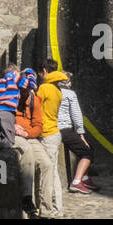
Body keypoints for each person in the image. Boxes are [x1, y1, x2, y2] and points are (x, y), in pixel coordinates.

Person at [13, 67, 51, 217]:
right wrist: (15, 128)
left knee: (47, 164)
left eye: (27, 90)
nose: (24, 93)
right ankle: (27, 199)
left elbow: (38, 126)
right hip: (15, 134)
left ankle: (46, 211)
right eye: (23, 90)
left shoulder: (34, 99)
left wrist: (27, 133)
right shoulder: (11, 95)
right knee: (27, 152)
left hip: (29, 135)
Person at [36, 59, 69, 216]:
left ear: (44, 71)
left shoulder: (44, 88)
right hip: (55, 133)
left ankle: (49, 209)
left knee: (47, 173)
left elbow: (35, 108)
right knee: (53, 172)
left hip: (46, 134)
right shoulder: (57, 90)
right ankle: (58, 209)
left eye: (40, 73)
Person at [55, 71, 95, 195]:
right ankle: (77, 181)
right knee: (87, 151)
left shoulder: (52, 91)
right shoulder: (70, 94)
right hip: (64, 129)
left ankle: (85, 178)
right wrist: (81, 133)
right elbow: (76, 114)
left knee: (83, 148)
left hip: (53, 128)